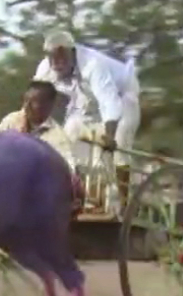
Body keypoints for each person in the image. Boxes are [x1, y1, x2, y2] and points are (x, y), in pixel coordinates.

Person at [33, 30, 140, 211]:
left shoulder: (93, 64)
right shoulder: (46, 68)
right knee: (70, 133)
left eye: (62, 58)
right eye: (53, 58)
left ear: (72, 52)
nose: (57, 64)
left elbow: (109, 101)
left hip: (122, 96)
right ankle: (82, 195)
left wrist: (109, 135)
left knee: (120, 141)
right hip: (86, 99)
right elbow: (34, 96)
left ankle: (125, 202)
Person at [0, 81, 76, 168]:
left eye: (33, 101)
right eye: (25, 100)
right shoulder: (11, 120)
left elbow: (68, 167)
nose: (26, 106)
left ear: (48, 105)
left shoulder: (58, 137)